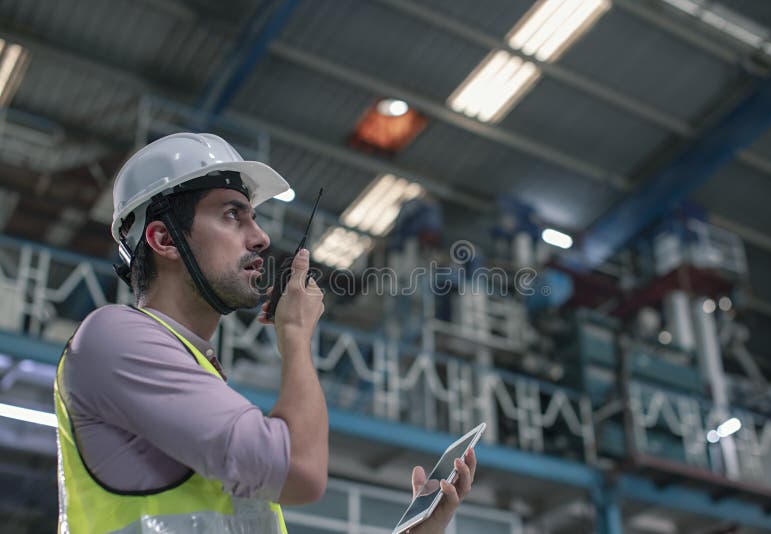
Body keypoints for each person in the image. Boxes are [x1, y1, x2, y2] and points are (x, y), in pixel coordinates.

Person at [54, 132, 476, 533]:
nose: (260, 237)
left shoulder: (198, 372)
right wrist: (295, 334)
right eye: (232, 215)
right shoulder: (114, 337)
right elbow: (301, 471)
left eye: (253, 218)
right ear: (164, 239)